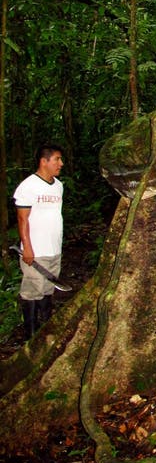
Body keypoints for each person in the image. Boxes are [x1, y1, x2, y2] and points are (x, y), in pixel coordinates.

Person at [14, 143, 65, 340]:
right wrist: (27, 247)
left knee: (48, 289)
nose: (60, 164)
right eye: (57, 159)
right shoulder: (28, 187)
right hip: (35, 252)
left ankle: (45, 332)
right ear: (44, 161)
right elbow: (22, 219)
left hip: (54, 249)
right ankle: (31, 337)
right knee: (32, 291)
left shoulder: (58, 186)